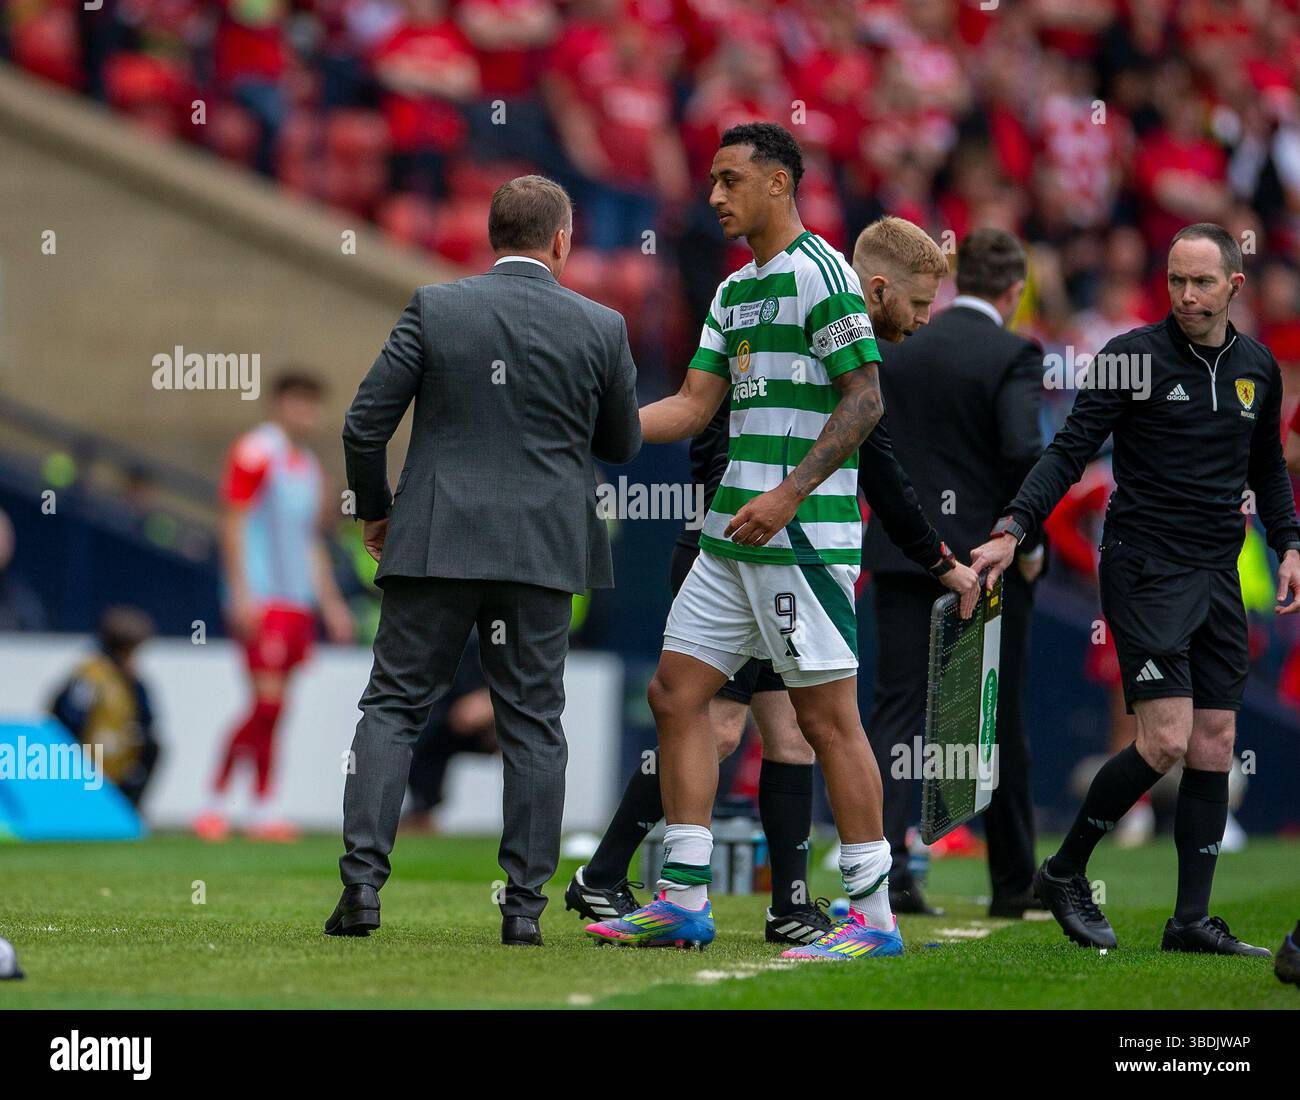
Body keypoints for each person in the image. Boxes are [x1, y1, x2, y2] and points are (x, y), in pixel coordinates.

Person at [566, 214, 978, 947]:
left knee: (819, 725)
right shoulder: (746, 289)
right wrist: (611, 428)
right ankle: (685, 896)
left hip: (798, 543)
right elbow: (697, 407)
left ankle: (872, 917)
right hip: (732, 538)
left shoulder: (822, 284)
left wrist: (792, 496)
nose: (921, 322)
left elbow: (867, 417)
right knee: (677, 697)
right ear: (880, 287)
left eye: (729, 181)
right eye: (918, 305)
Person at [326, 174, 640, 946]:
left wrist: (376, 513)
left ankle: (362, 890)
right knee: (535, 725)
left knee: (394, 708)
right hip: (542, 551)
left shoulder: (437, 307)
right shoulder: (602, 326)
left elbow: (364, 425)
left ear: (489, 234)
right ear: (561, 240)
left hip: (434, 538)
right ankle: (523, 910)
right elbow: (623, 445)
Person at [972, 223, 1300, 957]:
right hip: (1144, 566)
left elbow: (1269, 469)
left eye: (1202, 282)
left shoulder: (1256, 367)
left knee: (1215, 743)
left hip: (1218, 569)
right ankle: (1063, 870)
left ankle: (1189, 921)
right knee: (1165, 741)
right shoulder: (1131, 358)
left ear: (1234, 287)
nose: (1185, 295)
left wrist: (1290, 546)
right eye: (1176, 281)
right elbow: (1068, 450)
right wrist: (1013, 526)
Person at [863, 227, 1046, 918]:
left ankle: (886, 874)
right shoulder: (1012, 353)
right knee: (994, 718)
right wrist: (1024, 545)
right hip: (985, 560)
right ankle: (1011, 884)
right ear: (1014, 291)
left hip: (902, 551)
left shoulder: (899, 343)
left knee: (897, 712)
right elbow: (1025, 451)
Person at [195, 371, 354, 843]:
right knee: (265, 704)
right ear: (279, 405)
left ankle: (263, 809)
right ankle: (214, 800)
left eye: (314, 405)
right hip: (261, 598)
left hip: (296, 603)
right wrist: (242, 593)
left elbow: (311, 544)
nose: (308, 414)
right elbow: (233, 524)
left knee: (278, 709)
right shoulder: (254, 452)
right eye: (299, 404)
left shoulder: (309, 470)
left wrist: (331, 603)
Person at [50, 607, 159, 806]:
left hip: (113, 755)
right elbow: (70, 718)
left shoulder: (128, 680)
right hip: (92, 756)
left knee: (152, 747)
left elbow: (147, 720)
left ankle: (126, 807)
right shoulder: (92, 675)